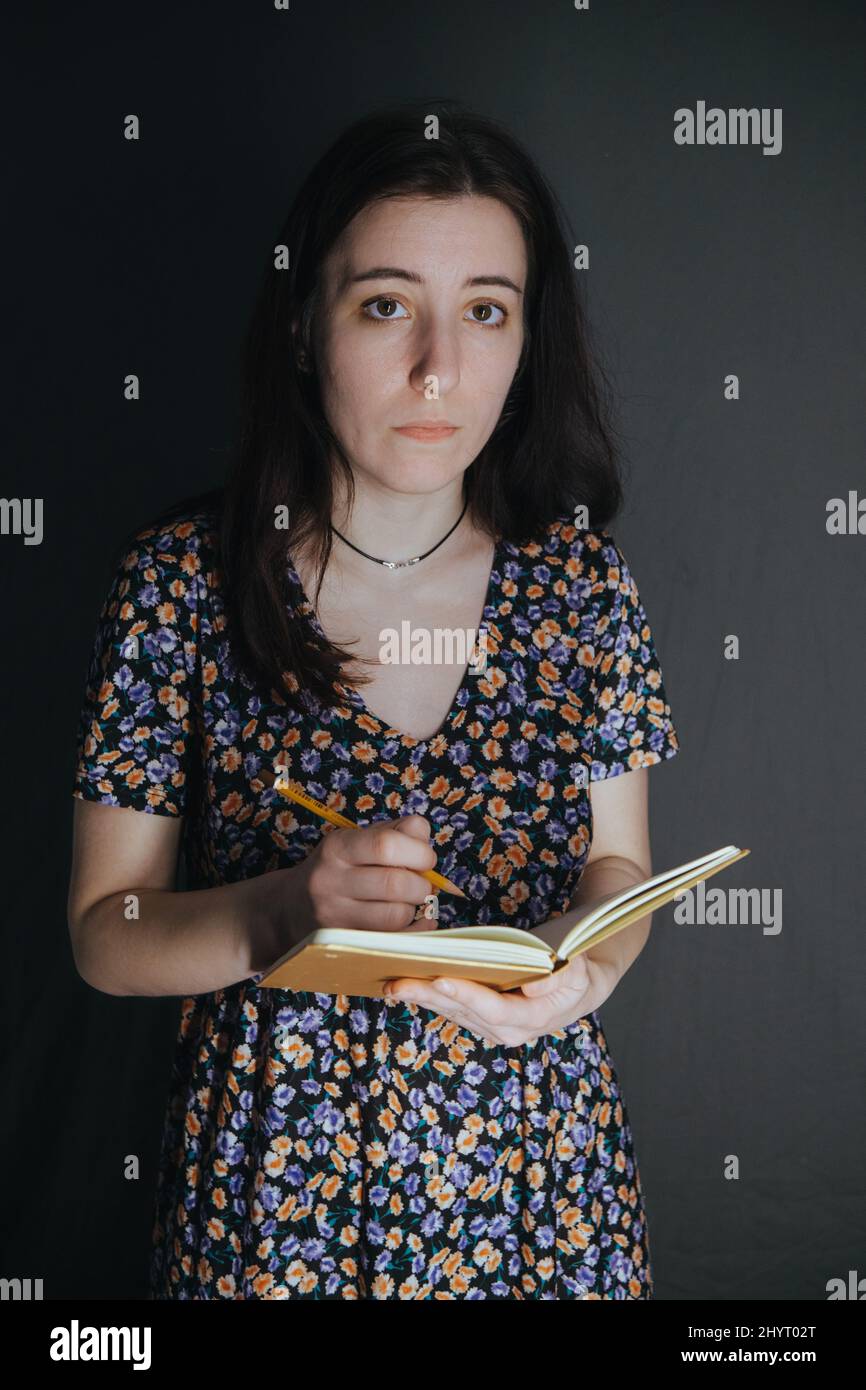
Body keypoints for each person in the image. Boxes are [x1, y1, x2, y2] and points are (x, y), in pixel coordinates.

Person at [68, 102, 680, 1300]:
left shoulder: (581, 589)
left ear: (524, 337)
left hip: (538, 1188)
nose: (437, 367)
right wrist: (282, 906)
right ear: (304, 325)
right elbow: (105, 931)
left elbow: (619, 875)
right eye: (387, 304)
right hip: (268, 1200)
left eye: (486, 311)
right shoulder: (178, 585)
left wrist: (578, 974)